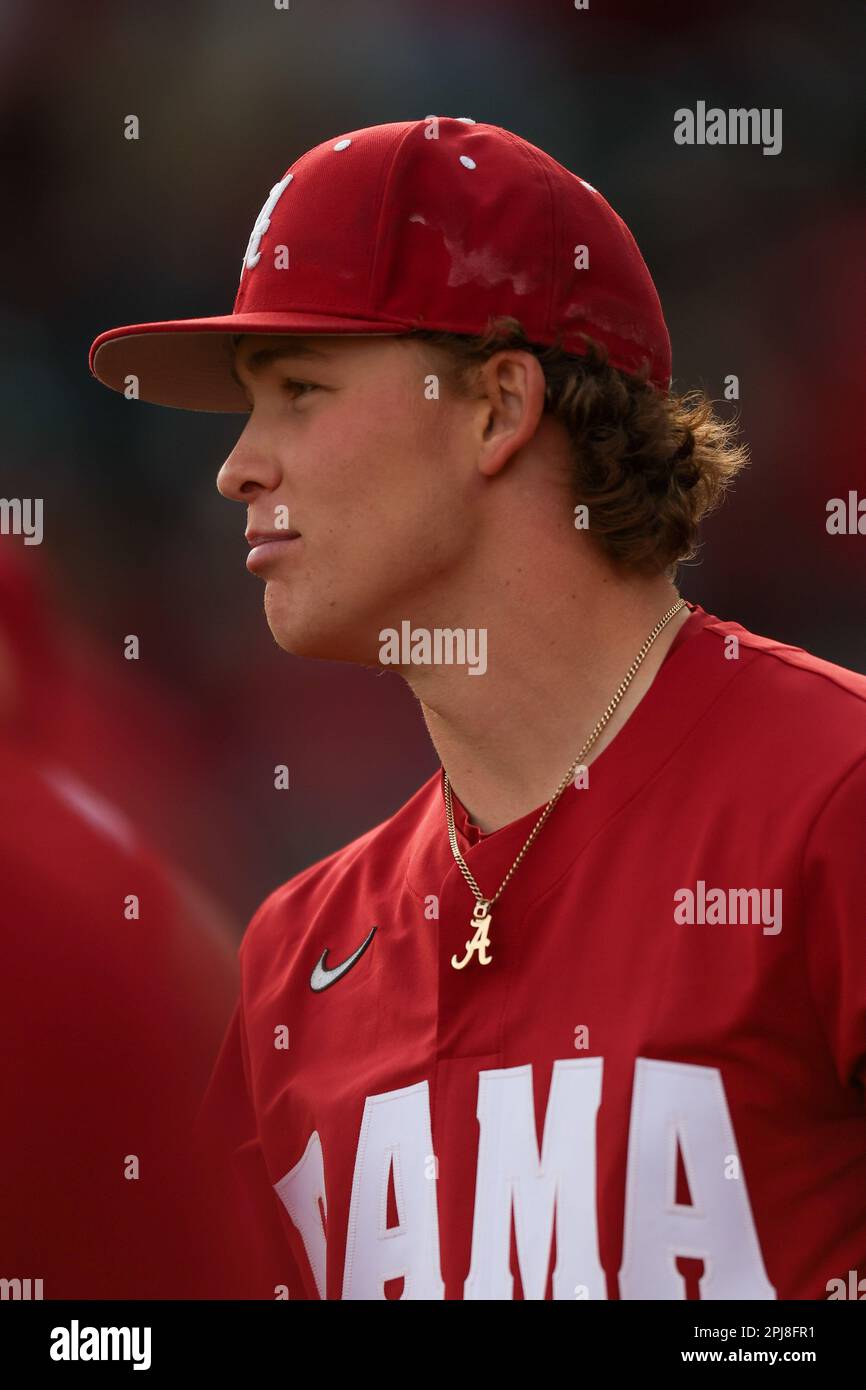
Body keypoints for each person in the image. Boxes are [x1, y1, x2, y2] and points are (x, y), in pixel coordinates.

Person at [89, 117, 866, 1300]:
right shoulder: (295, 958)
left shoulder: (833, 797)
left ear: (498, 407)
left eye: (298, 389)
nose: (236, 466)